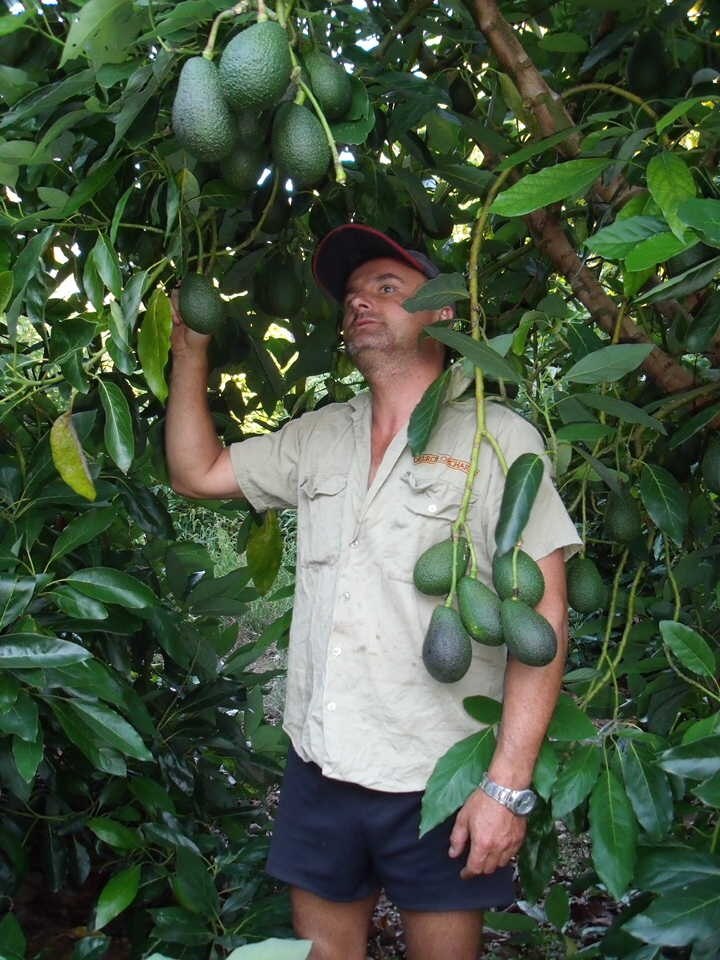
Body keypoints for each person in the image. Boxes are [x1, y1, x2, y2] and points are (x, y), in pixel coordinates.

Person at [166, 223, 581, 960]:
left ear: (443, 310)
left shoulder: (500, 439)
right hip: (321, 761)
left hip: (439, 771)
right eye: (353, 294)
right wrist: (189, 350)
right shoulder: (319, 435)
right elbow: (196, 473)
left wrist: (505, 785)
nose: (361, 302)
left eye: (387, 288)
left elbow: (542, 614)